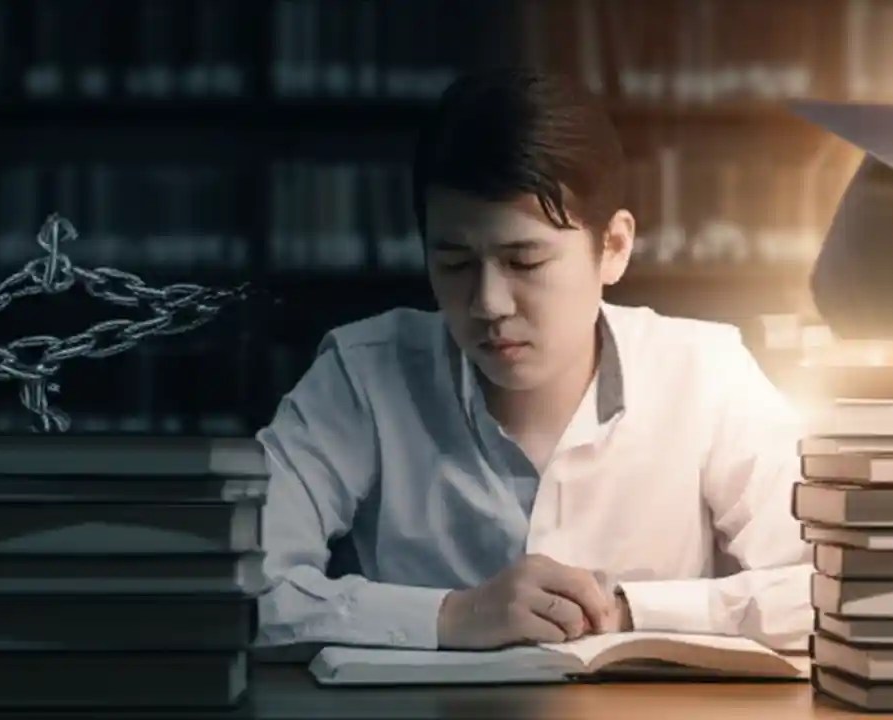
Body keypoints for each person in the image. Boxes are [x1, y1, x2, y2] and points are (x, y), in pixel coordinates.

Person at [254, 68, 812, 653]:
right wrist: (453, 616)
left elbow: (830, 585)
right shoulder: (361, 376)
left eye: (525, 262)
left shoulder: (706, 373)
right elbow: (239, 588)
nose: (488, 304)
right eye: (454, 264)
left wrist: (628, 612)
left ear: (614, 249)